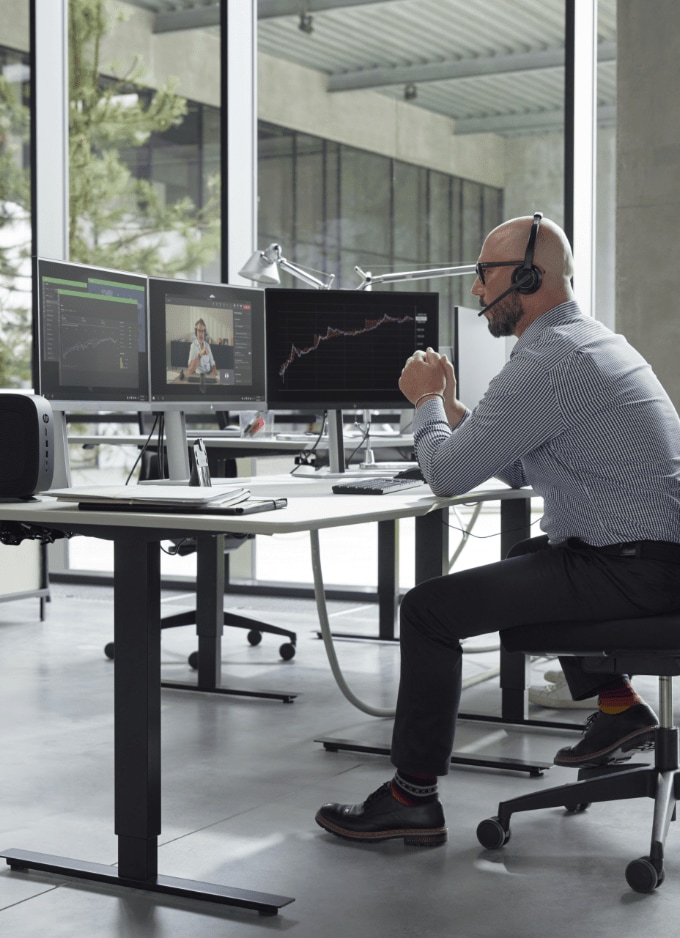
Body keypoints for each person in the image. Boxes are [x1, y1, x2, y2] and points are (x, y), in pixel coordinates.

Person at [315, 213, 680, 847]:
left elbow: (448, 477)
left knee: (427, 610)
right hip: (652, 562)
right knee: (528, 550)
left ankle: (412, 797)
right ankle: (618, 707)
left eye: (484, 275)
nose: (477, 291)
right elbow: (518, 463)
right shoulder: (588, 342)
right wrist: (460, 413)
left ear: (528, 276)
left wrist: (427, 404)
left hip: (631, 570)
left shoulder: (546, 360)